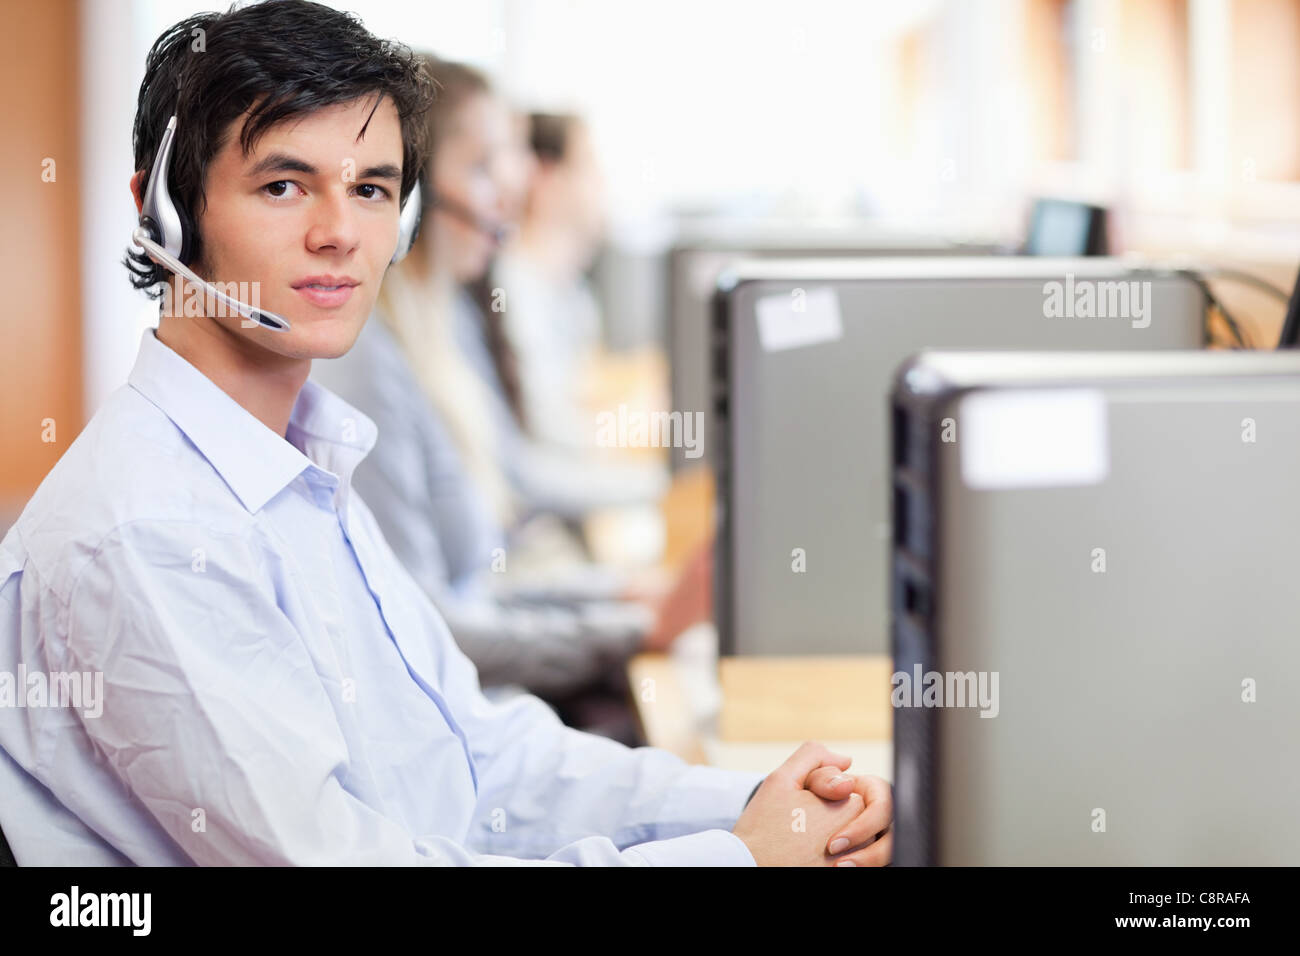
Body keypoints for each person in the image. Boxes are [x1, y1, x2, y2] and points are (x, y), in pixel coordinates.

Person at [0, 0, 892, 866]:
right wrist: (735, 858)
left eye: (372, 190)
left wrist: (754, 801)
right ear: (164, 211)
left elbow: (482, 756)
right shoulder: (151, 530)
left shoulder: (300, 467)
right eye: (283, 185)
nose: (341, 233)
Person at [312, 58, 701, 743]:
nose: (509, 196)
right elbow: (433, 620)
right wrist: (627, 626)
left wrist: (618, 596)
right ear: (415, 189)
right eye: (484, 166)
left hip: (489, 689)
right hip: (457, 722)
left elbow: (481, 572)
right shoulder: (368, 356)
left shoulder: (440, 321)